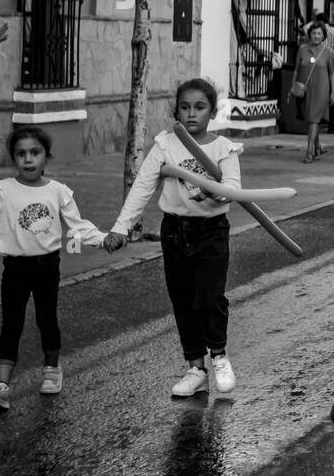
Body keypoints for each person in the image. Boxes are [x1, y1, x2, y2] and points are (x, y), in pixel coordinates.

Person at [0, 126, 106, 410]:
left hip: (47, 266)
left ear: (47, 156)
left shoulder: (58, 192)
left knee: (46, 319)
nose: (28, 159)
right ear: (13, 158)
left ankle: (51, 369)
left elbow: (79, 227)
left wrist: (107, 239)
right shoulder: (3, 189)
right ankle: (1, 386)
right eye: (21, 154)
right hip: (15, 268)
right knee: (11, 322)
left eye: (35, 153)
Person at [103, 79, 243, 397]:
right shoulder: (166, 143)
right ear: (175, 110)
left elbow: (233, 187)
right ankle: (196, 367)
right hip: (174, 232)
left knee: (210, 299)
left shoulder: (223, 147)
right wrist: (121, 228)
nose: (191, 114)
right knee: (183, 300)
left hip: (211, 233)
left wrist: (215, 190)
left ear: (213, 110)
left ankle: (219, 355)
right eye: (184, 107)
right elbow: (143, 185)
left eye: (199, 107)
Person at [291, 21, 334, 163]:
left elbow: (332, 73)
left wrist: (333, 92)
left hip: (321, 89)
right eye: (313, 33)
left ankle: (309, 151)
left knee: (313, 119)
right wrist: (293, 87)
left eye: (319, 34)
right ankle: (317, 146)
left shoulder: (328, 52)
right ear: (309, 34)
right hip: (305, 89)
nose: (316, 36)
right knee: (311, 119)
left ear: (324, 36)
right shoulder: (302, 49)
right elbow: (297, 69)